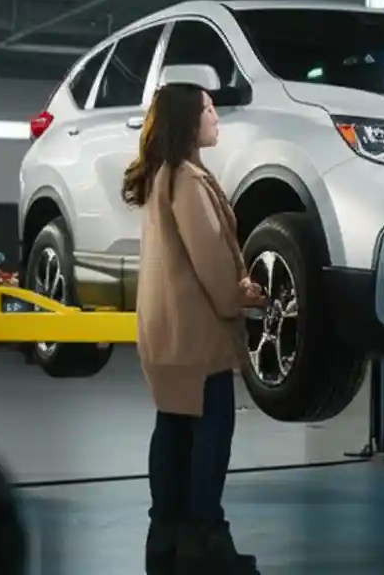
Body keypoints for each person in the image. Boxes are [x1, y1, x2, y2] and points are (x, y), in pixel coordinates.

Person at [121, 81, 267, 575]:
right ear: (188, 121)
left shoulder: (160, 176)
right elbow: (210, 257)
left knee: (172, 434)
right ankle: (206, 543)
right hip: (197, 335)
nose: (216, 117)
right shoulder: (187, 180)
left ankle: (166, 542)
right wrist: (243, 295)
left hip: (166, 334)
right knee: (210, 437)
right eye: (207, 109)